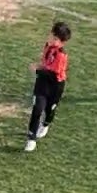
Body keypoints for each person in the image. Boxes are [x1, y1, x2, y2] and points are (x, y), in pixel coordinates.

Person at [24, 21, 73, 152]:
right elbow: (46, 64)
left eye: (55, 39)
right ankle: (31, 138)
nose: (51, 39)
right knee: (37, 109)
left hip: (55, 86)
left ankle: (46, 124)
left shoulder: (61, 55)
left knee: (49, 109)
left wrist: (37, 70)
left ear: (62, 42)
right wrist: (40, 67)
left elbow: (53, 75)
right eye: (52, 36)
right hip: (42, 83)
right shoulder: (48, 46)